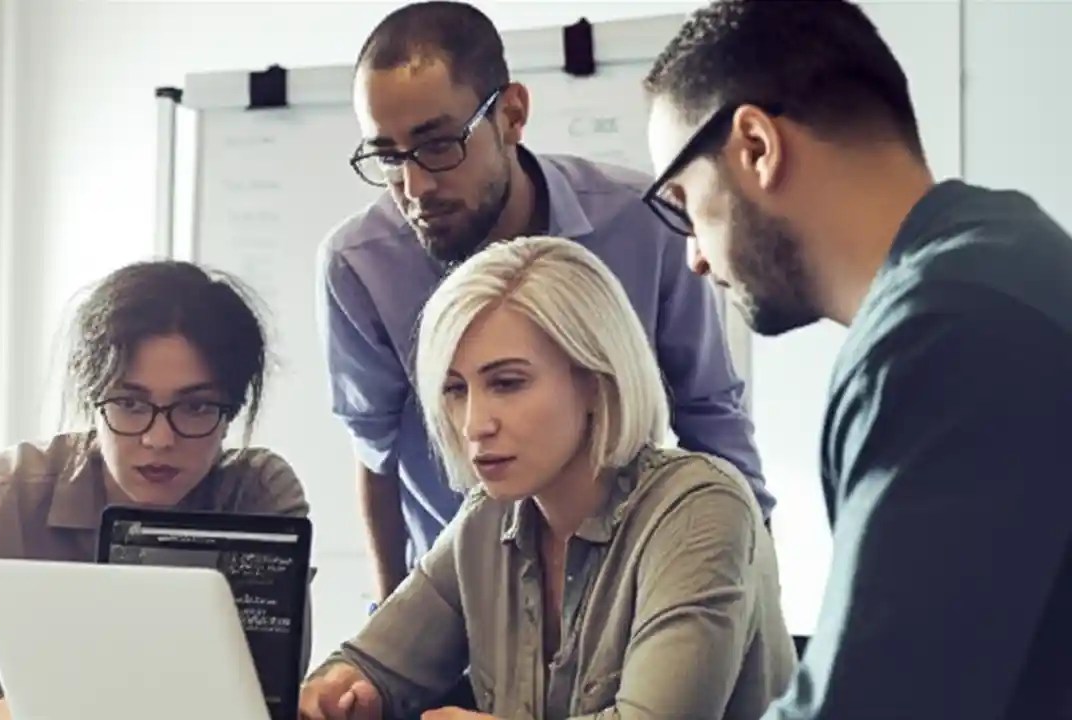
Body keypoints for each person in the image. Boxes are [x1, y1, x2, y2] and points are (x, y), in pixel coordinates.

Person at [642, 1, 1072, 718]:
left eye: (684, 203)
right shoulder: (1003, 248)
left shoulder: (943, 333)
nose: (692, 255)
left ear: (755, 146)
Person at [318, 0, 773, 607]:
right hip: (463, 607)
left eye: (438, 145)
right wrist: (391, 649)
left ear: (511, 114)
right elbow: (378, 460)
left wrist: (754, 592)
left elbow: (710, 416)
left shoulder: (645, 224)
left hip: (627, 591)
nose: (416, 186)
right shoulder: (360, 264)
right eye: (389, 157)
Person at [300, 236, 795, 720]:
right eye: (455, 389)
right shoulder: (486, 520)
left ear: (595, 381)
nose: (474, 424)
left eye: (507, 383)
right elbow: (371, 665)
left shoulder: (702, 506)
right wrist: (339, 691)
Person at [0, 261, 311, 720]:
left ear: (232, 413)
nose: (160, 439)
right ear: (92, 398)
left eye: (196, 408)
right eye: (130, 405)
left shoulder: (257, 495)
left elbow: (270, 696)